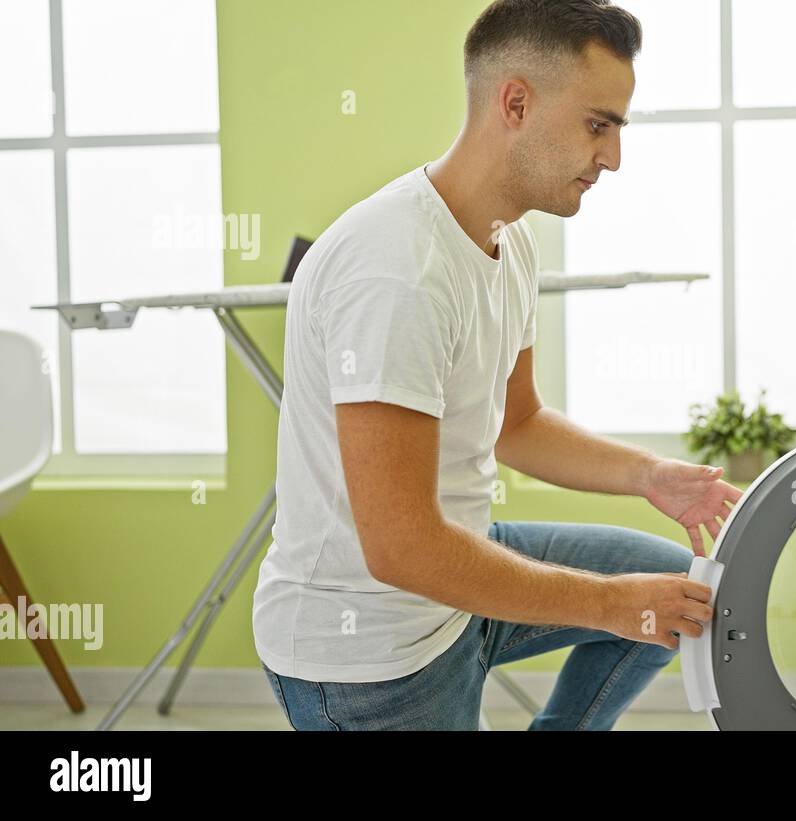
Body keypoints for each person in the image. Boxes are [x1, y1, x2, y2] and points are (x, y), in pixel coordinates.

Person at [252, 0, 741, 731]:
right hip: (371, 650)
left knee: (678, 589)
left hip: (458, 570)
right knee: (639, 600)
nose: (612, 158)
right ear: (515, 102)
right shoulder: (398, 269)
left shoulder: (509, 244)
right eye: (597, 125)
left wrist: (649, 475)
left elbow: (519, 422)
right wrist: (611, 603)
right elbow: (401, 548)